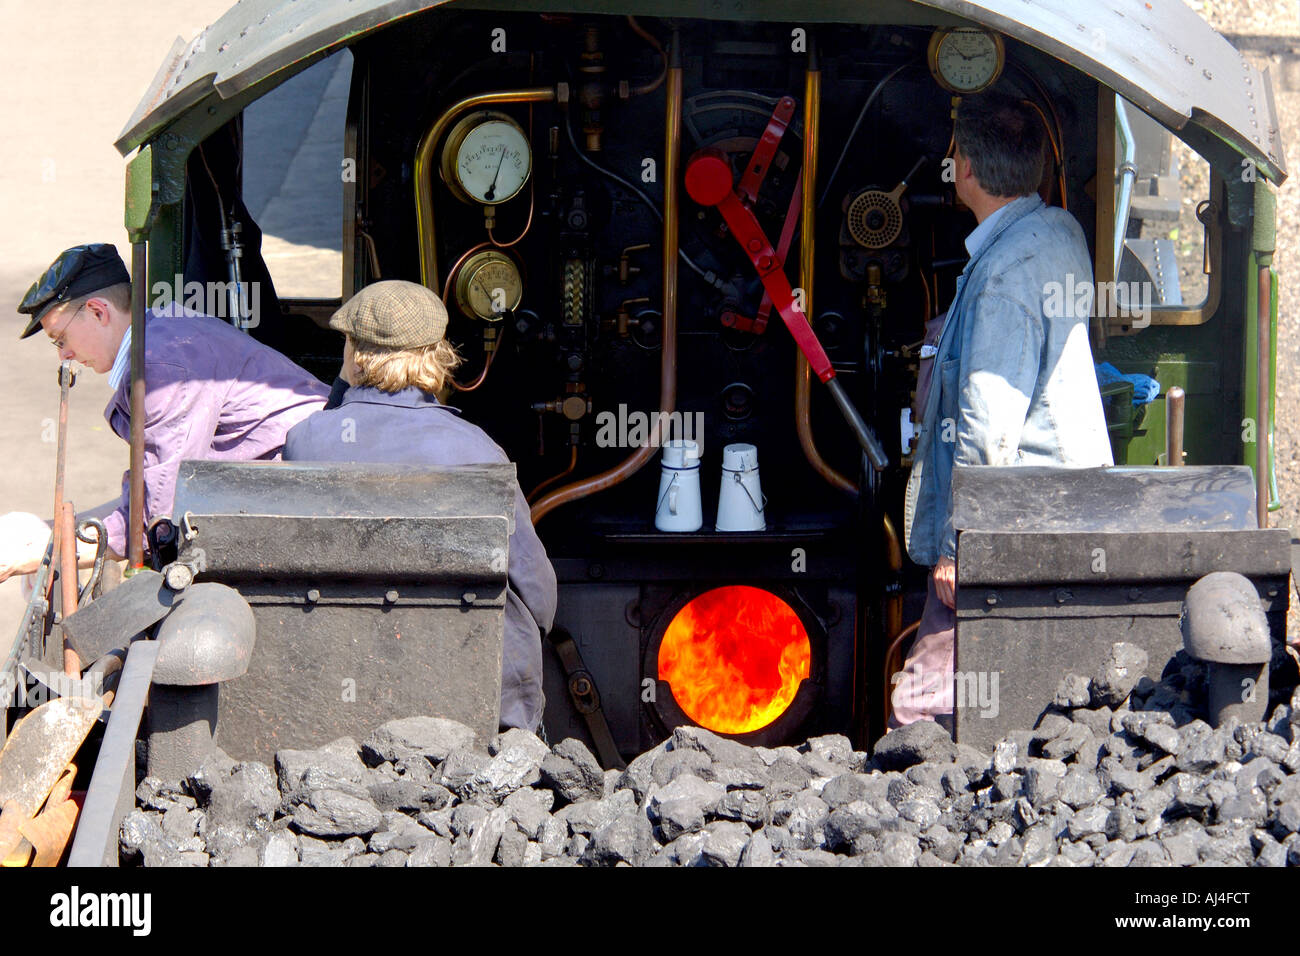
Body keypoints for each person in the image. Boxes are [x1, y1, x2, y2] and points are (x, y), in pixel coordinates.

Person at [895, 93, 1114, 728]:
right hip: (1058, 516)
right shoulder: (1057, 232)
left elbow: (987, 427)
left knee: (920, 711)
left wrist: (957, 550)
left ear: (964, 169)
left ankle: (908, 818)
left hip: (1006, 531)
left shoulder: (1005, 274)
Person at [282, 280, 558, 733]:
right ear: (437, 356)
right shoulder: (479, 453)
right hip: (474, 702)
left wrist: (342, 390)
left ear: (353, 352)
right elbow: (539, 595)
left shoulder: (307, 441)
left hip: (346, 684)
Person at [0, 243, 330, 577]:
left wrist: (42, 554)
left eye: (60, 339)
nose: (63, 355)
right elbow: (145, 502)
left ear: (99, 312)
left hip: (322, 501)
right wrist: (47, 533)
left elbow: (155, 521)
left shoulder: (161, 367)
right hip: (306, 490)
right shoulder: (161, 337)